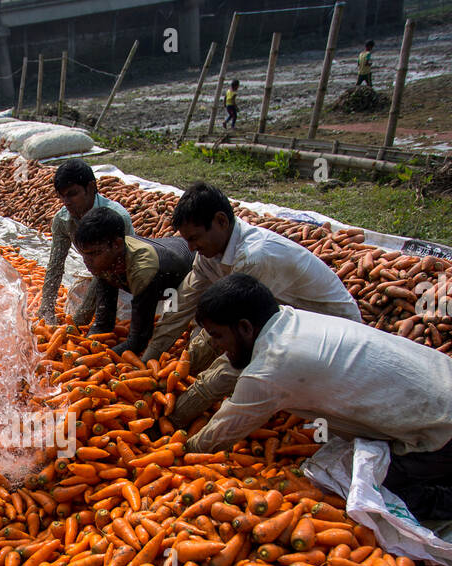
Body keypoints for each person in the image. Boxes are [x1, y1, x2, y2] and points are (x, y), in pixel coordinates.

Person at [186, 274, 452, 520]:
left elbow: (221, 433)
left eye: (217, 336)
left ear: (244, 327)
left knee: (337, 484)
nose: (216, 346)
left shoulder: (271, 368)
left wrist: (181, 450)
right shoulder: (291, 319)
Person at [150, 183, 362, 430]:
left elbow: (242, 346)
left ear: (221, 221)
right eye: (187, 241)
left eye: (195, 238)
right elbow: (181, 305)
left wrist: (175, 415)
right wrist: (150, 368)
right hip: (280, 318)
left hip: (331, 336)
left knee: (227, 349)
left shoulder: (254, 257)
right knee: (206, 336)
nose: (192, 248)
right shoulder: (210, 254)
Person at [72, 206, 194, 355]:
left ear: (116, 244)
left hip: (186, 272)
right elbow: (104, 323)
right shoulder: (106, 258)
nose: (87, 262)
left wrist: (102, 356)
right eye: (83, 255)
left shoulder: (144, 270)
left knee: (175, 318)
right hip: (170, 246)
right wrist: (84, 345)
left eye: (92, 254)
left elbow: (138, 341)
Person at [38, 159, 136, 327]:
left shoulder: (117, 217)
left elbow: (108, 269)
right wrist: (46, 309)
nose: (66, 202)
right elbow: (55, 265)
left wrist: (81, 319)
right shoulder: (63, 220)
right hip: (97, 272)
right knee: (74, 296)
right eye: (62, 196)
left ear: (90, 188)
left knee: (125, 315)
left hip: (125, 275)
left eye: (72, 194)